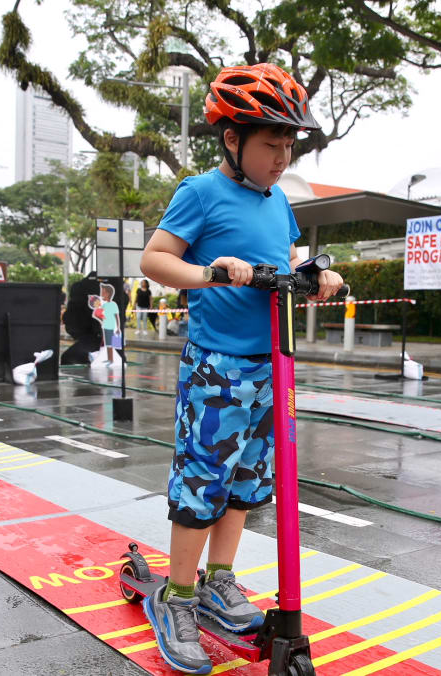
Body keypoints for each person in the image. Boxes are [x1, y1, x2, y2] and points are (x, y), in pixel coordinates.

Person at [137, 63, 343, 674]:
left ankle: (218, 581)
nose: (282, 158)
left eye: (288, 146)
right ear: (232, 139)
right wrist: (210, 271)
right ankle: (177, 597)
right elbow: (154, 258)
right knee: (203, 482)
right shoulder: (201, 193)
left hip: (272, 366)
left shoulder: (278, 200)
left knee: (247, 485)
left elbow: (287, 255)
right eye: (270, 146)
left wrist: (315, 273)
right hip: (218, 368)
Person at [99, 283, 121, 364]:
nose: (101, 294)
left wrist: (118, 328)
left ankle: (111, 359)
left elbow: (117, 317)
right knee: (107, 344)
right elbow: (101, 315)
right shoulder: (104, 305)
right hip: (105, 326)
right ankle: (109, 359)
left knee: (111, 344)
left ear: (108, 294)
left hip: (111, 327)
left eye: (103, 292)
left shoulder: (113, 304)